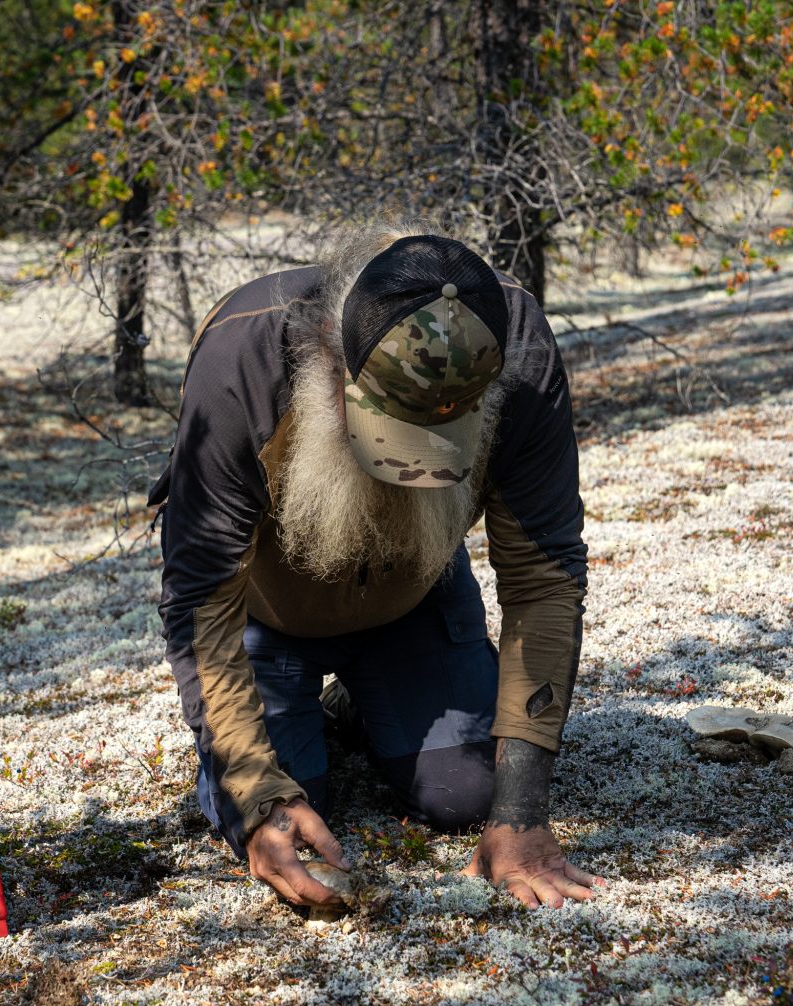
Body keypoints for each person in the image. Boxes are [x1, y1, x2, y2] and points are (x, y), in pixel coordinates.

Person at [154, 227, 599, 910]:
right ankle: (305, 720)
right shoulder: (240, 360)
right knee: (285, 807)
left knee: (471, 793)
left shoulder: (521, 350)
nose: (410, 476)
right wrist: (253, 789)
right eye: (391, 436)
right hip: (264, 618)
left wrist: (521, 815)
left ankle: (364, 701)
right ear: (330, 357)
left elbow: (543, 578)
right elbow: (201, 597)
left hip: (413, 595)